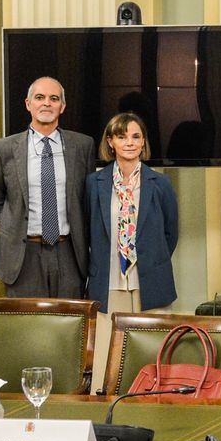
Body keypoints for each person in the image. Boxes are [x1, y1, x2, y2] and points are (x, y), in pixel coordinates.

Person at [85, 113, 180, 386]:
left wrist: (152, 261)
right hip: (109, 281)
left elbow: (170, 233)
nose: (129, 142)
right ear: (110, 141)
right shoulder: (95, 183)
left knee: (151, 358)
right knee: (105, 361)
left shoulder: (160, 183)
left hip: (150, 281)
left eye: (136, 136)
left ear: (143, 143)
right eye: (122, 136)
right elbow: (88, 229)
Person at [0, 76, 95, 298]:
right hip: (23, 255)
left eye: (54, 98)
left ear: (62, 106)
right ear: (28, 104)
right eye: (40, 97)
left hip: (69, 254)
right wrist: (15, 225)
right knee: (27, 326)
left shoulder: (83, 146)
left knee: (70, 326)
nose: (47, 103)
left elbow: (87, 199)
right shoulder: (4, 148)